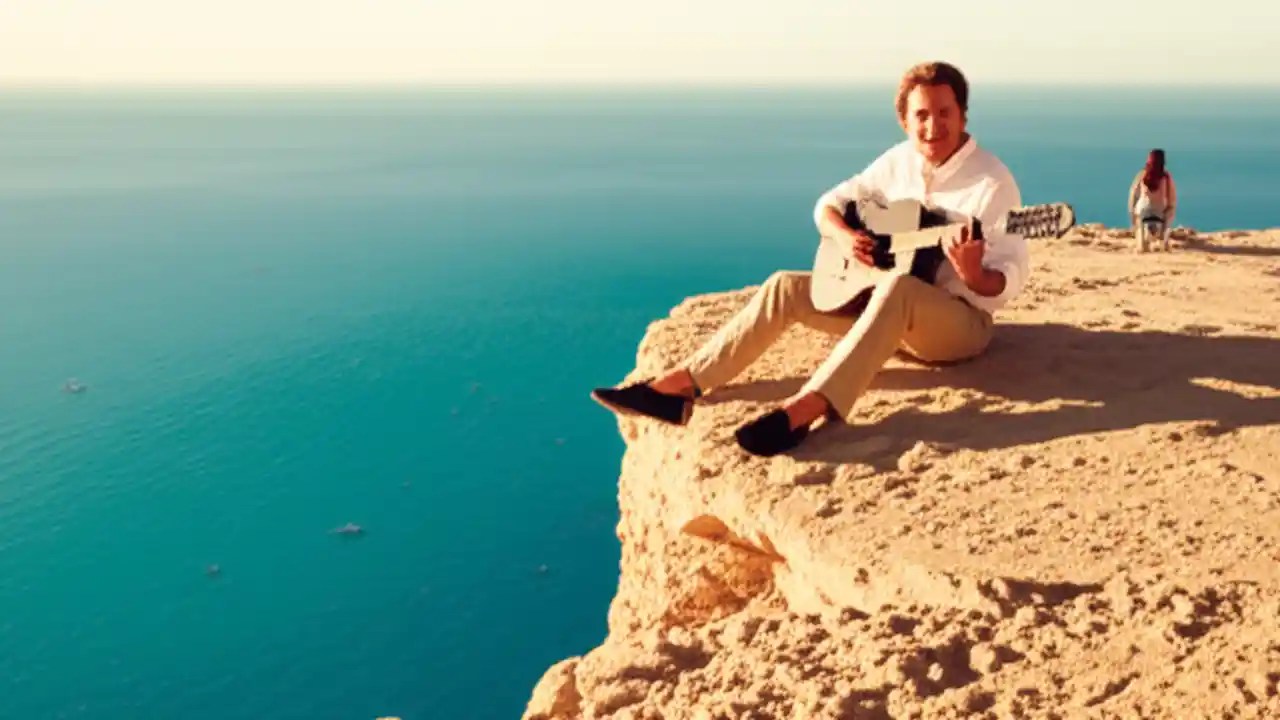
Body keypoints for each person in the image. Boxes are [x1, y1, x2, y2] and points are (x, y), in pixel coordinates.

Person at [591, 61, 1028, 457]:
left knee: (900, 287)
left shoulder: (992, 182)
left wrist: (974, 275)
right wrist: (847, 236)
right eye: (922, 115)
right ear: (905, 120)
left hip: (959, 327)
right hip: (886, 318)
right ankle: (680, 388)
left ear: (963, 115)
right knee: (785, 285)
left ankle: (805, 410)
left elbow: (1009, 276)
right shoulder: (897, 162)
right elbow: (828, 204)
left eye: (944, 112)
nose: (934, 125)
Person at [1128, 148, 1177, 252]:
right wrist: (1169, 209)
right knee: (1171, 210)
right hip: (1159, 211)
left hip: (1142, 210)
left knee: (1138, 213)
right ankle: (1164, 239)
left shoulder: (1142, 174)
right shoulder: (1166, 177)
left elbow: (1133, 193)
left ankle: (1141, 242)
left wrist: (1132, 213)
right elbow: (1171, 198)